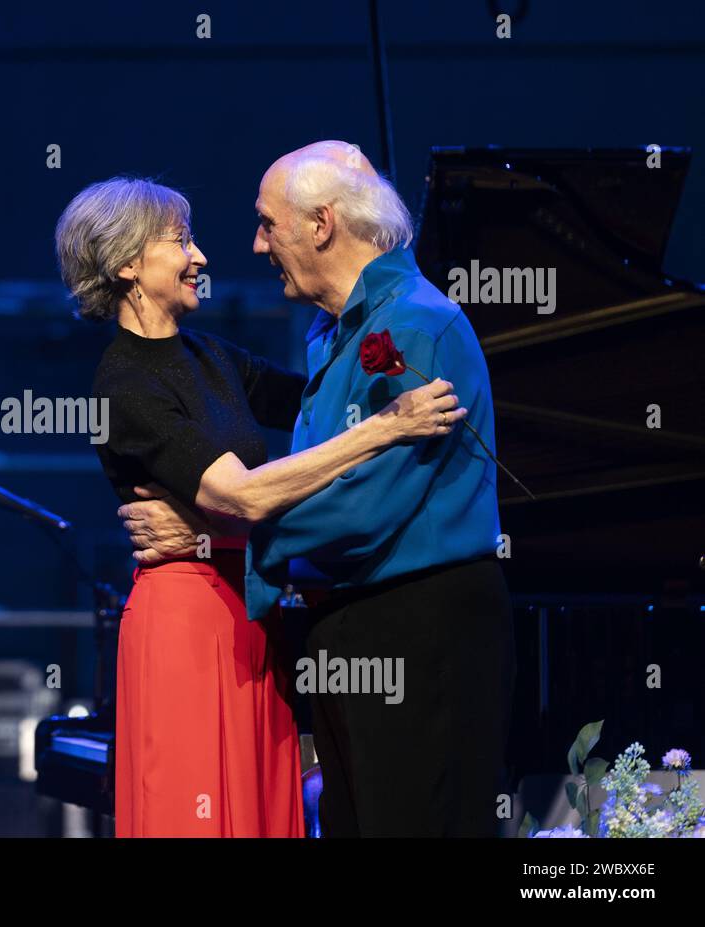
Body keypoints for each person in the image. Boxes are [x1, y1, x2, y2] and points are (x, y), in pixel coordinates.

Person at [120, 144, 516, 837]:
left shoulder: (416, 326)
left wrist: (215, 538)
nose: (255, 244)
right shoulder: (336, 333)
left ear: (322, 224)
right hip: (353, 620)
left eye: (268, 224)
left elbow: (368, 508)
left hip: (416, 625)